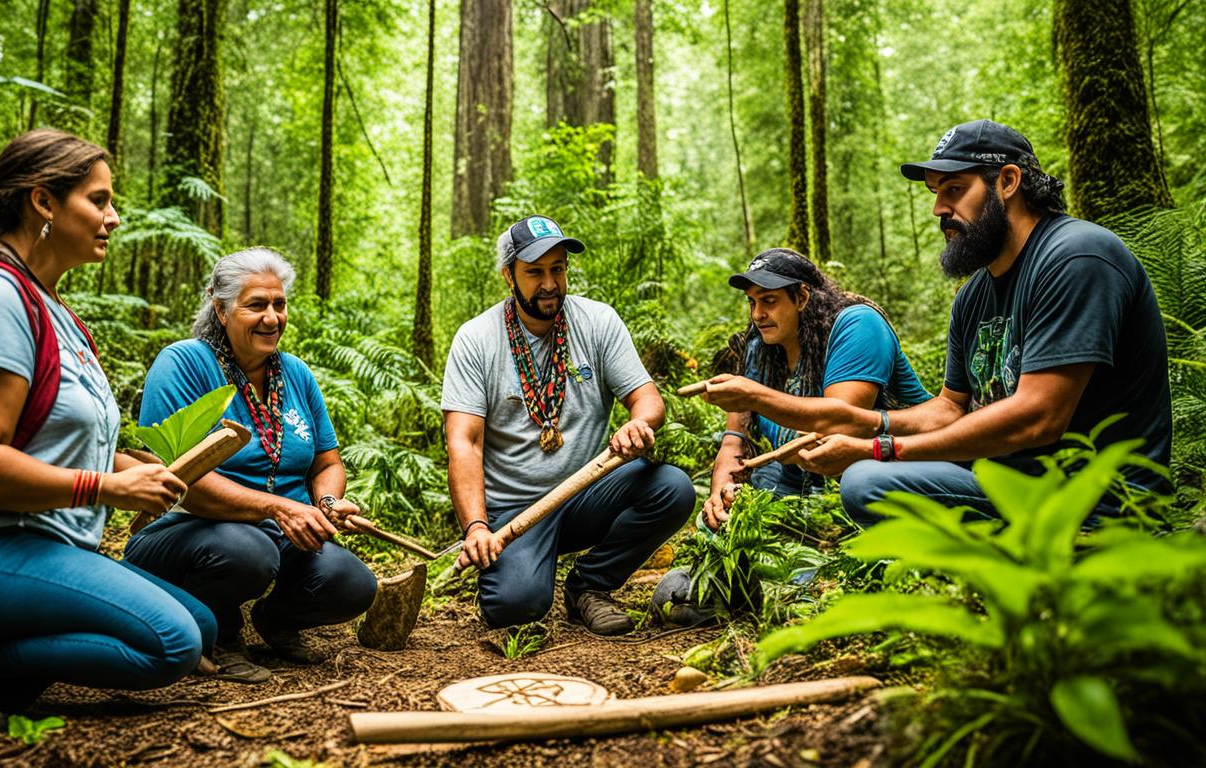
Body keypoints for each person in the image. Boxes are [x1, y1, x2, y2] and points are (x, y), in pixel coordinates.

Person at [0, 130, 214, 732]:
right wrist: (104, 490)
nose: (113, 216)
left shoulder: (48, 305)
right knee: (172, 642)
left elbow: (67, 443)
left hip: (35, 541)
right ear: (43, 202)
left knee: (201, 622)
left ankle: (6, 665)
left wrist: (144, 474)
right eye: (98, 200)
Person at [794, 119, 1172, 521]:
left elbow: (1039, 417)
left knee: (867, 480)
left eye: (954, 189)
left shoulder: (1077, 256)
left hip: (1097, 499)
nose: (939, 208)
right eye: (936, 192)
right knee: (868, 476)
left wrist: (882, 448)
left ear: (1008, 182)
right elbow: (950, 407)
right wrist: (866, 424)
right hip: (1008, 477)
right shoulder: (973, 296)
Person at [124, 248, 378, 683]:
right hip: (185, 532)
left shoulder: (295, 374)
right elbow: (182, 481)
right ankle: (216, 632)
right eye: (256, 305)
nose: (272, 317)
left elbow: (326, 461)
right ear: (221, 309)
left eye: (279, 305)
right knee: (247, 551)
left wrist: (329, 502)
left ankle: (275, 620)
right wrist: (277, 508)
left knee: (353, 584)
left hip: (281, 533)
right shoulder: (184, 364)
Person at [442, 215, 695, 636]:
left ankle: (589, 587)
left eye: (557, 269)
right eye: (535, 272)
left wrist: (638, 423)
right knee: (516, 606)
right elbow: (463, 443)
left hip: (585, 492)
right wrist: (477, 527)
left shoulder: (597, 322)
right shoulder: (477, 339)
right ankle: (523, 565)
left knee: (672, 488)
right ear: (509, 275)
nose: (549, 283)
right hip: (514, 513)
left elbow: (647, 399)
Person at [695, 248, 932, 530]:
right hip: (802, 481)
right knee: (725, 518)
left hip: (890, 464)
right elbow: (734, 440)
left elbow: (836, 429)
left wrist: (755, 396)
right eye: (752, 303)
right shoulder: (759, 350)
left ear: (802, 297)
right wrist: (721, 492)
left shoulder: (857, 325)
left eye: (769, 301)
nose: (758, 314)